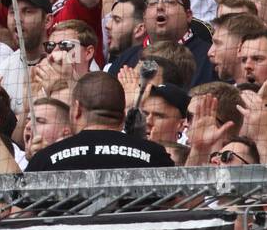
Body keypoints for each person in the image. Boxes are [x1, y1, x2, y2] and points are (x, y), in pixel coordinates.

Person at [25, 72, 174, 170]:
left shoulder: (44, 159)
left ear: (76, 109)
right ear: (123, 116)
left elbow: (20, 215)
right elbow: (179, 208)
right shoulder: (155, 155)